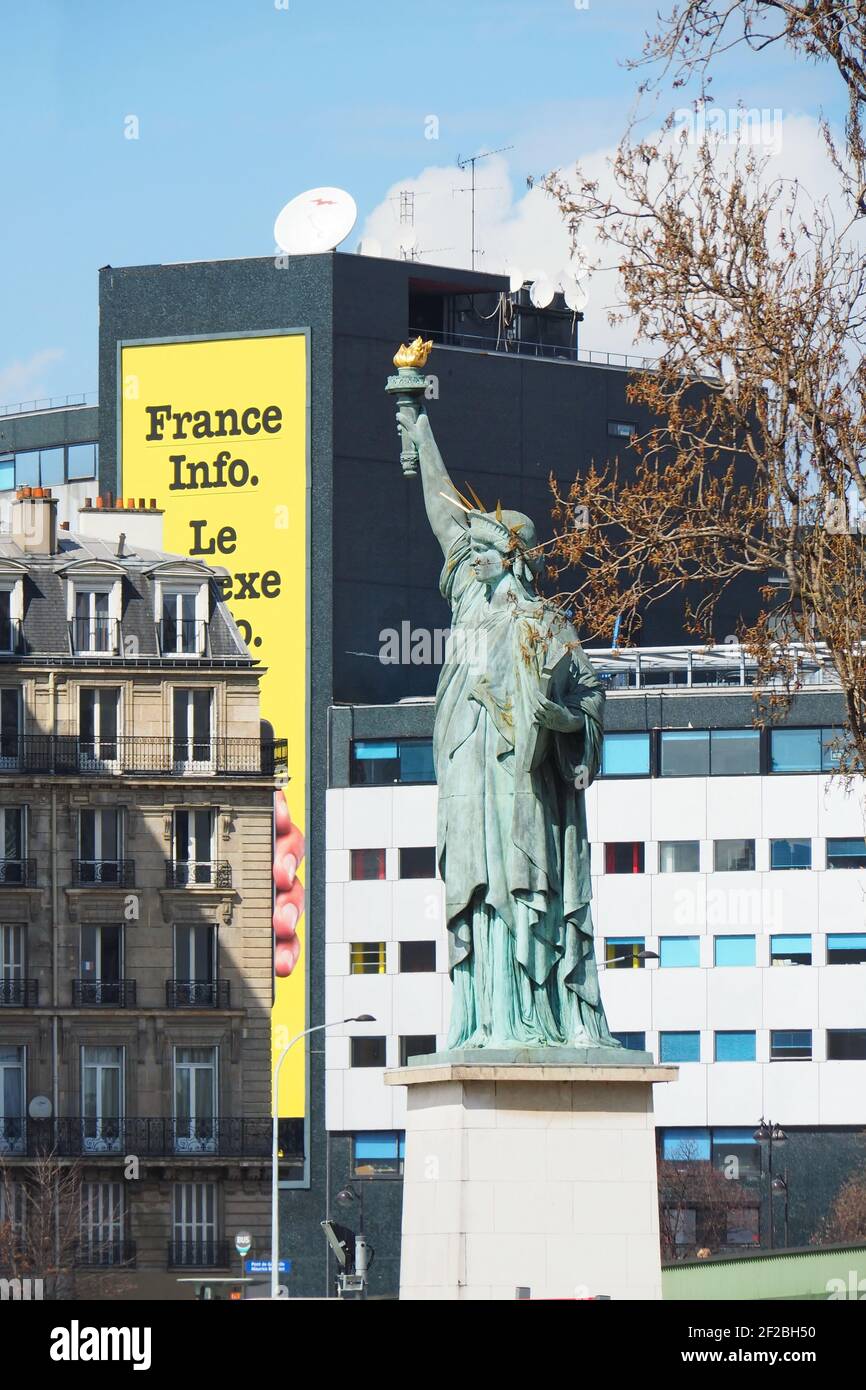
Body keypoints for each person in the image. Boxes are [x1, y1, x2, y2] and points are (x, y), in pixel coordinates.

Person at [397, 407, 619, 1050]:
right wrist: (419, 427)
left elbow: (590, 699)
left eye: (488, 547)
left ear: (512, 557)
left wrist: (564, 721)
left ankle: (533, 1014)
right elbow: (446, 514)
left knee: (520, 889)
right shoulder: (470, 599)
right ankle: (485, 1017)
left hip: (521, 778)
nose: (474, 553)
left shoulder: (547, 623)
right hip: (467, 768)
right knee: (479, 889)